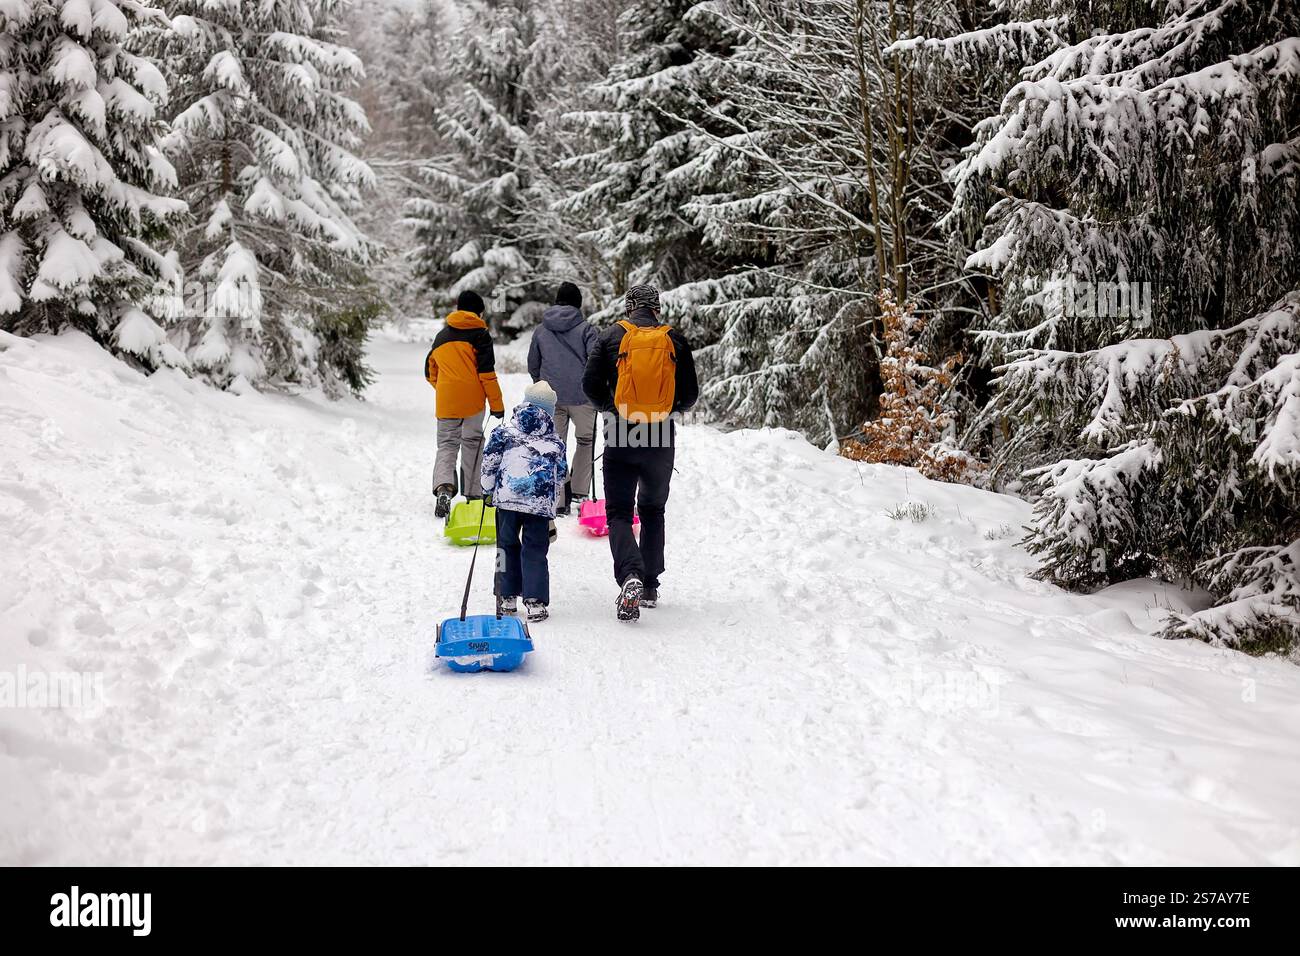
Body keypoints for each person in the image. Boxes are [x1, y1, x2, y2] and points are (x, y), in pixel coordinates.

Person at [582, 284, 698, 621]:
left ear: (629, 306)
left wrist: (612, 409)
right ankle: (649, 585)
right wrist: (666, 411)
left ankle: (630, 573)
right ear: (657, 308)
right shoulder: (674, 339)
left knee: (618, 512)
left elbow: (589, 386)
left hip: (620, 433)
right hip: (660, 435)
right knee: (652, 510)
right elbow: (689, 395)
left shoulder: (609, 337)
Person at [481, 381, 568, 623]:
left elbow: (490, 463)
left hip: (507, 501)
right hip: (538, 505)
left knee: (506, 546)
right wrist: (552, 501)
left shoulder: (503, 433)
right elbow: (561, 474)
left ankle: (506, 597)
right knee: (535, 550)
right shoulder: (555, 442)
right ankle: (535, 602)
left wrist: (487, 490)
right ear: (549, 412)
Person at [425, 290, 505, 518]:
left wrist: (444, 388)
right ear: (479, 311)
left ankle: (444, 488)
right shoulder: (481, 335)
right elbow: (487, 374)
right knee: (473, 443)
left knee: (447, 445)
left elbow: (430, 371)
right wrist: (497, 405)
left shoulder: (441, 337)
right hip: (473, 402)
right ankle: (473, 494)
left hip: (447, 401)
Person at [528, 282, 598, 515]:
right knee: (585, 441)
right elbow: (595, 362)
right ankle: (579, 492)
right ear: (578, 304)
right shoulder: (587, 329)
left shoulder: (541, 330)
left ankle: (558, 498)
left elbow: (533, 364)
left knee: (554, 446)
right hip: (583, 398)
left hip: (550, 398)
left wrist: (543, 385)